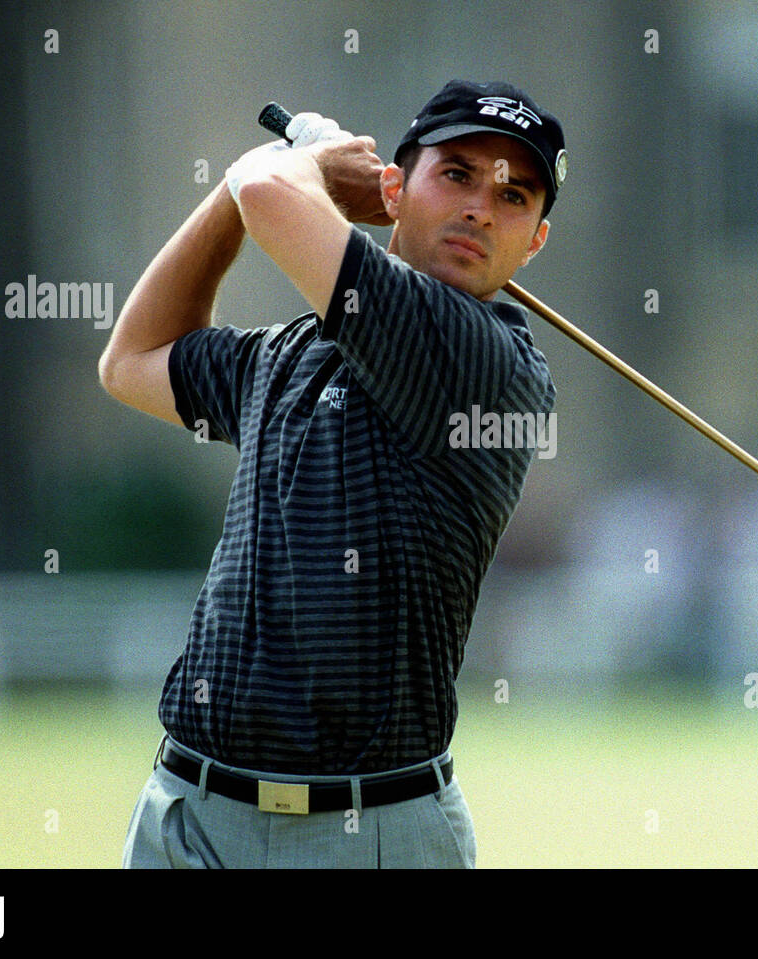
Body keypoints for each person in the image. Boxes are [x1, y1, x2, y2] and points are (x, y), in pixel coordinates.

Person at [97, 80, 568, 868]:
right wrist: (233, 195)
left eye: (513, 195)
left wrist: (296, 170)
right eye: (456, 174)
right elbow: (131, 360)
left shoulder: (485, 364)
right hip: (188, 818)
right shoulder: (288, 354)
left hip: (367, 836)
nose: (482, 207)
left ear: (534, 242)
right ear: (393, 192)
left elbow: (268, 192)